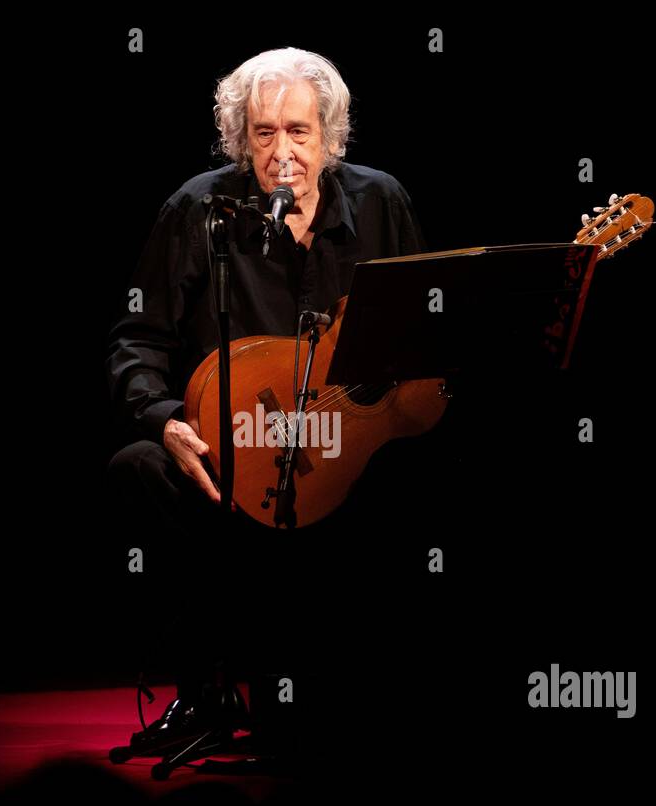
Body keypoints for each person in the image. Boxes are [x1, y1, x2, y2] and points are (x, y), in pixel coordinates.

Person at [106, 47, 427, 535]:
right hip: (233, 446)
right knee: (138, 464)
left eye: (298, 132)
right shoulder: (199, 211)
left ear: (328, 136)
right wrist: (168, 422)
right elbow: (138, 342)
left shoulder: (381, 203)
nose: (282, 155)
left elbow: (424, 332)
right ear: (243, 141)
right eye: (264, 134)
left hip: (345, 444)